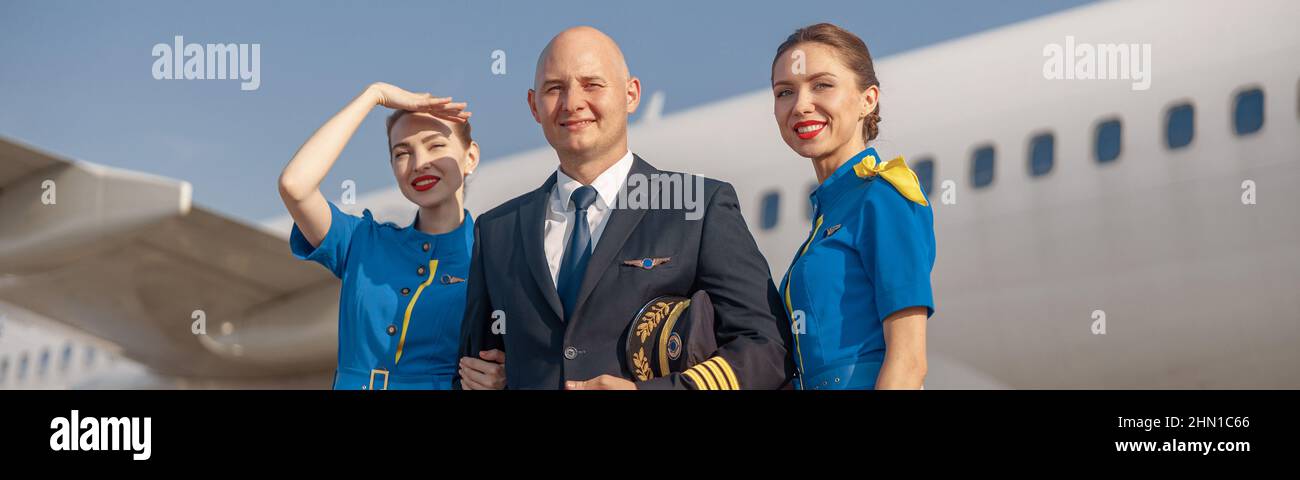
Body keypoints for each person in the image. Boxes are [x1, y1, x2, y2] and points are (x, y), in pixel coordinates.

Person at [455, 26, 790, 390]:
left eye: (592, 85)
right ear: (534, 106)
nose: (572, 103)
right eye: (555, 88)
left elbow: (766, 349)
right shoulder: (496, 231)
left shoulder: (697, 205)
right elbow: (474, 367)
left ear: (631, 95)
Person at [278, 82, 505, 390]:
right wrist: (375, 95)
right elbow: (295, 185)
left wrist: (505, 378)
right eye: (402, 153)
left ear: (471, 157)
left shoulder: (494, 262)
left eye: (435, 145)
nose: (419, 163)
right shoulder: (362, 241)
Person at [770, 23, 935, 390]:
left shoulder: (883, 197)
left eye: (822, 85)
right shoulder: (829, 214)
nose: (801, 105)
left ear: (868, 99)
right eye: (785, 92)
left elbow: (908, 362)